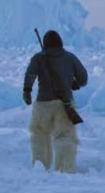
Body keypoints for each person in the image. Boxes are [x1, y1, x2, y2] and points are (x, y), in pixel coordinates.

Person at [22, 30, 87, 173]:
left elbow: (30, 75)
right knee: (64, 135)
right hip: (64, 104)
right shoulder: (70, 58)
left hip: (43, 104)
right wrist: (74, 84)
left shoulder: (38, 58)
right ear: (60, 43)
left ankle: (40, 166)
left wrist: (27, 91)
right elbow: (83, 78)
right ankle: (64, 168)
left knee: (39, 134)